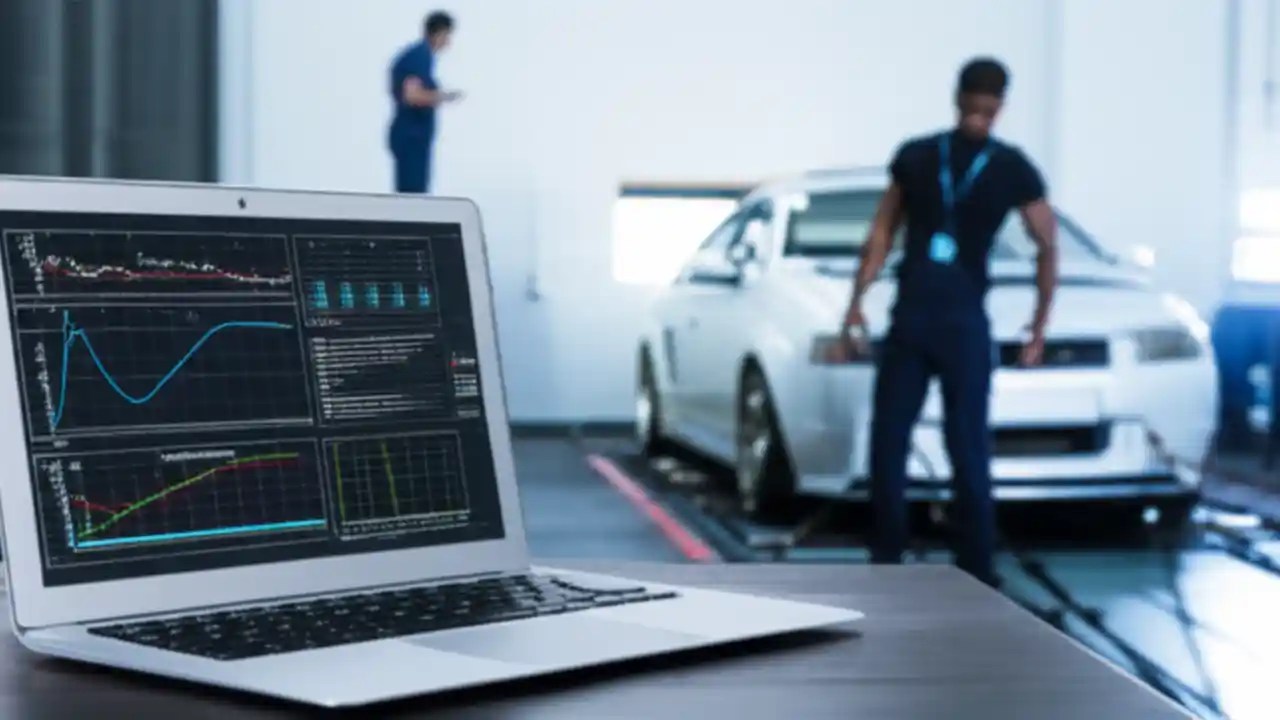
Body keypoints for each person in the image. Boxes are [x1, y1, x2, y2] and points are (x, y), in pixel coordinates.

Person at [840, 57, 1058, 587]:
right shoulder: (919, 158)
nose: (981, 114)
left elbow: (1047, 244)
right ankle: (908, 564)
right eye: (976, 104)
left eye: (989, 107)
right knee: (902, 445)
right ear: (960, 97)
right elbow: (882, 235)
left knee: (953, 446)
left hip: (943, 321)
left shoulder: (1007, 167)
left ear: (1000, 105)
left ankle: (967, 569)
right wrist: (854, 304)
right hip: (927, 321)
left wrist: (1039, 324)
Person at [388, 11, 463, 194]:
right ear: (439, 33)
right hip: (411, 137)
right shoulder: (419, 56)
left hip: (416, 138)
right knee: (412, 198)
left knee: (416, 196)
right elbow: (412, 95)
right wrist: (444, 96)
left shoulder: (422, 57)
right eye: (447, 36)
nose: (448, 42)